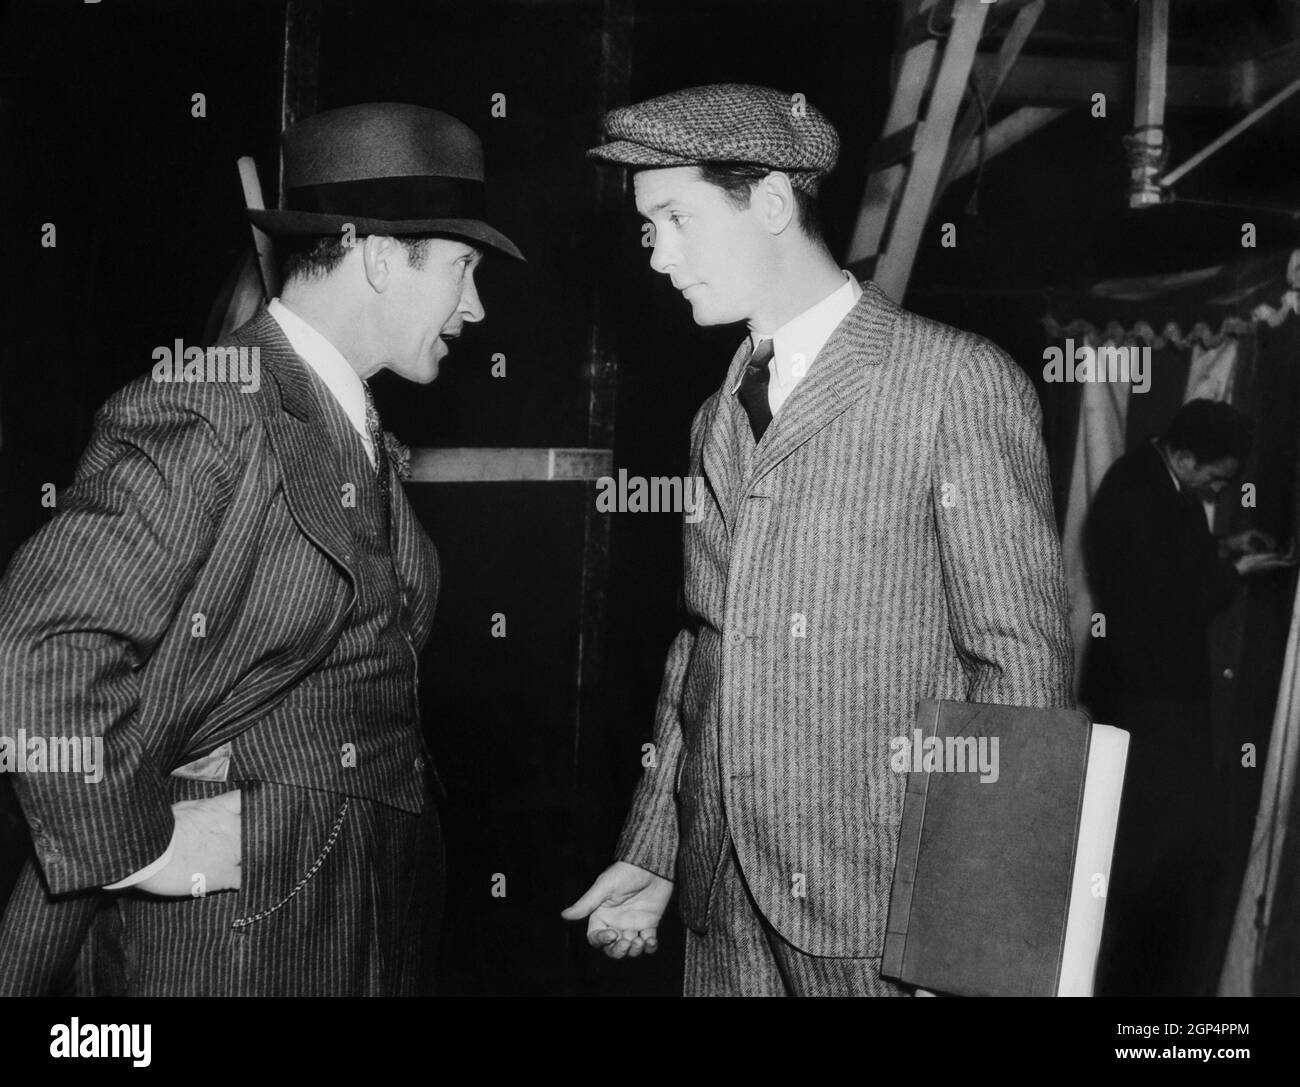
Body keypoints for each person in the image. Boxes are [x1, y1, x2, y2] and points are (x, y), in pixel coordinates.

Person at [562, 83, 1074, 996]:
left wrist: (976, 932)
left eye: (676, 219)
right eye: (648, 229)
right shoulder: (713, 417)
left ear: (767, 201)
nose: (658, 257)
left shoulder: (954, 381)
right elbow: (705, 648)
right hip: (725, 908)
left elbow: (1020, 667)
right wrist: (659, 847)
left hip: (885, 914)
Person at [0, 102, 522, 996]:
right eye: (463, 266)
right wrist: (141, 850)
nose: (475, 304)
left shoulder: (348, 421)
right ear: (380, 256)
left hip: (362, 921)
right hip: (233, 941)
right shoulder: (214, 402)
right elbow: (40, 646)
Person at [1083, 398, 1279, 996]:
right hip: (1145, 695)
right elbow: (1170, 597)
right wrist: (1236, 574)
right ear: (1187, 456)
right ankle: (1129, 976)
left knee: (1155, 845)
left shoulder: (1157, 481)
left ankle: (1138, 960)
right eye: (1215, 478)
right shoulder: (1140, 491)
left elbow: (1176, 559)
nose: (1217, 490)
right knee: (1147, 849)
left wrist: (1224, 546)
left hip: (1152, 690)